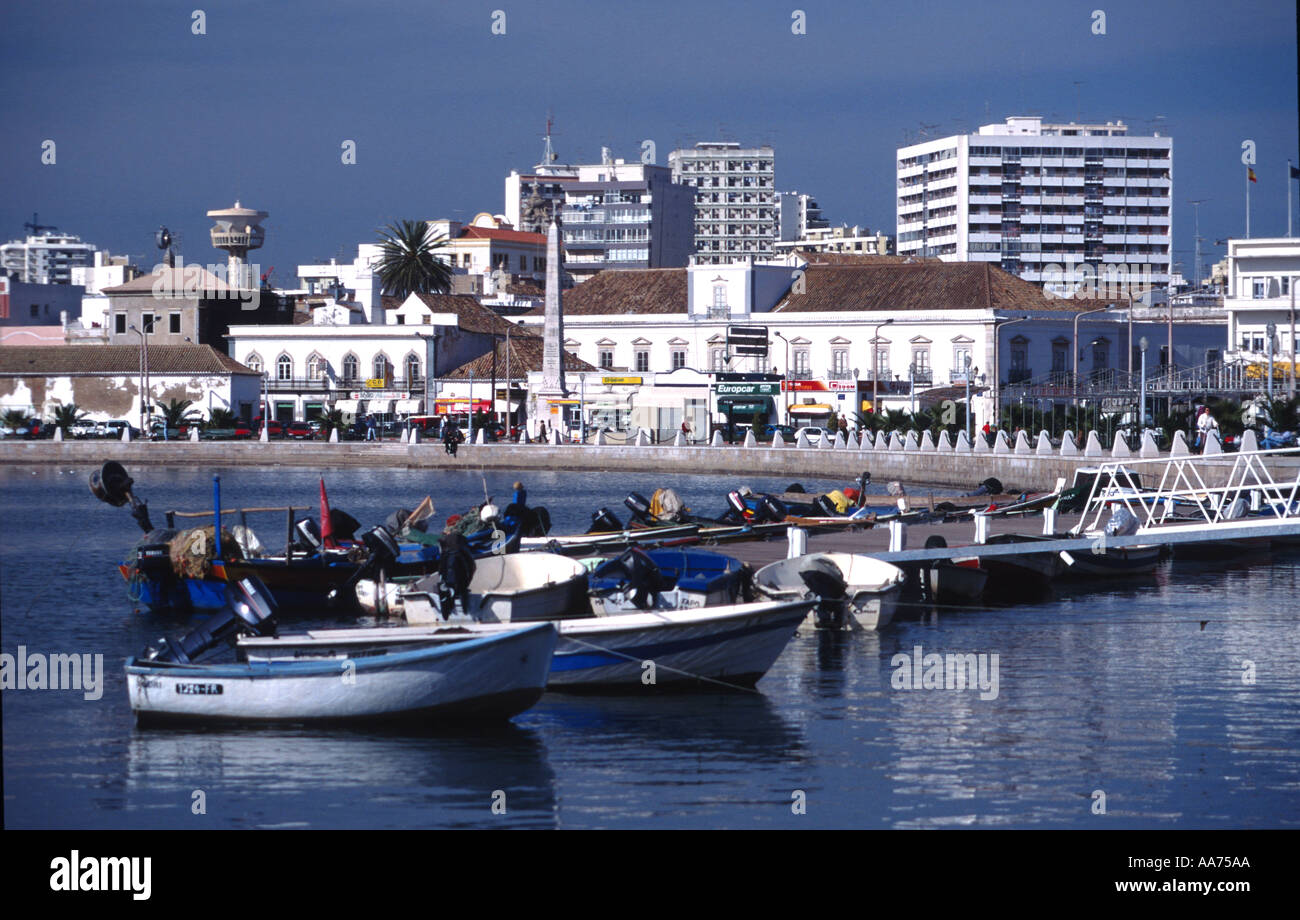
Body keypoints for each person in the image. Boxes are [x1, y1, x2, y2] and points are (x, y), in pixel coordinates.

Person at [437, 516, 476, 617]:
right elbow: (471, 566)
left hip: (449, 575)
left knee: (448, 583)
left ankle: (448, 609)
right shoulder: (461, 543)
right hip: (461, 577)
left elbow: (441, 569)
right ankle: (463, 607)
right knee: (460, 584)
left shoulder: (444, 544)